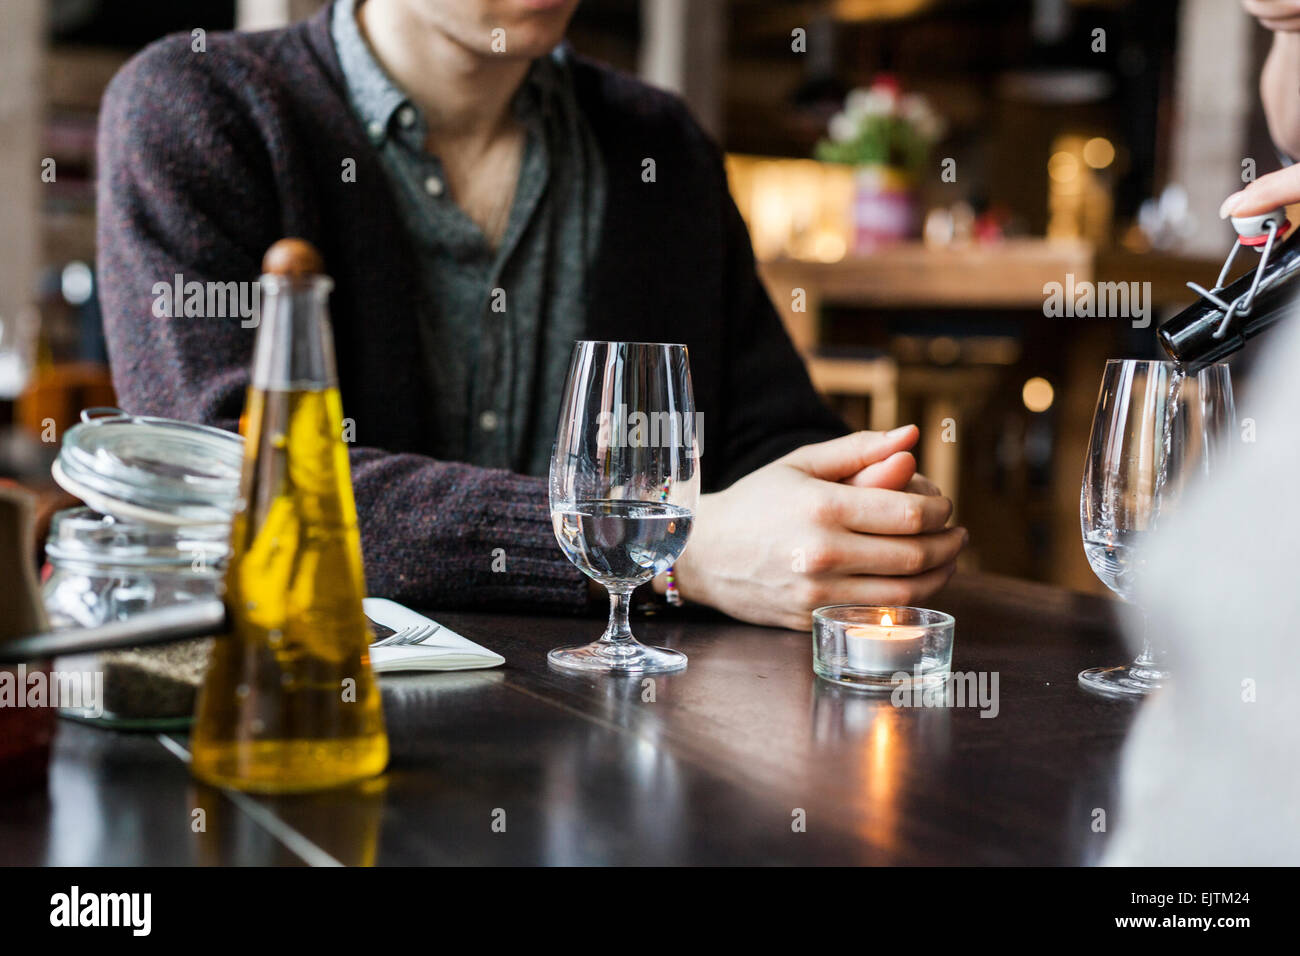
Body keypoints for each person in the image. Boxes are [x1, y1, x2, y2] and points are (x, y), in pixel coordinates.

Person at [96, 0, 966, 630]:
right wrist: (666, 551)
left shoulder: (658, 147)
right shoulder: (198, 104)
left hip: (622, 768)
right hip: (307, 731)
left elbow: (765, 441)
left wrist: (851, 515)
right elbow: (221, 482)